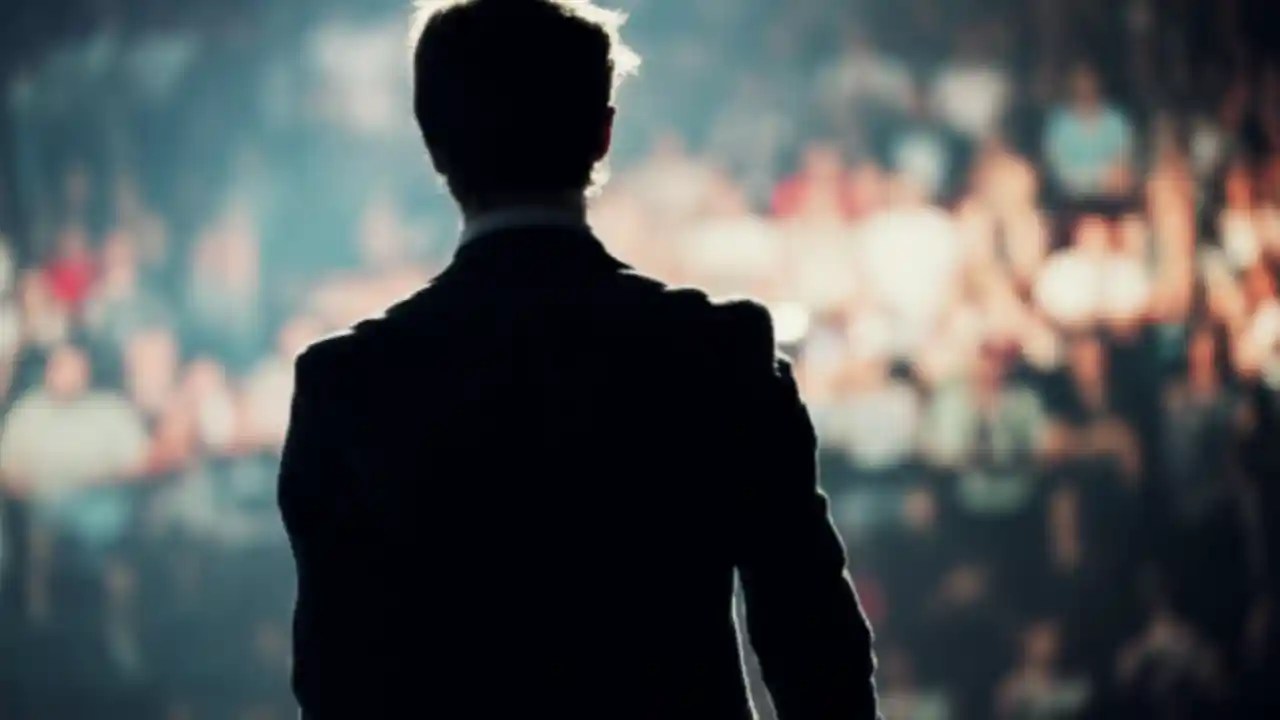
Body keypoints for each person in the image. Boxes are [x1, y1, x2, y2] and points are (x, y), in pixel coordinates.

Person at [277, 1, 879, 718]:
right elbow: (815, 643)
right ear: (603, 134)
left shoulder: (347, 385)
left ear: (434, 144)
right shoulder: (719, 353)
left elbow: (334, 679)